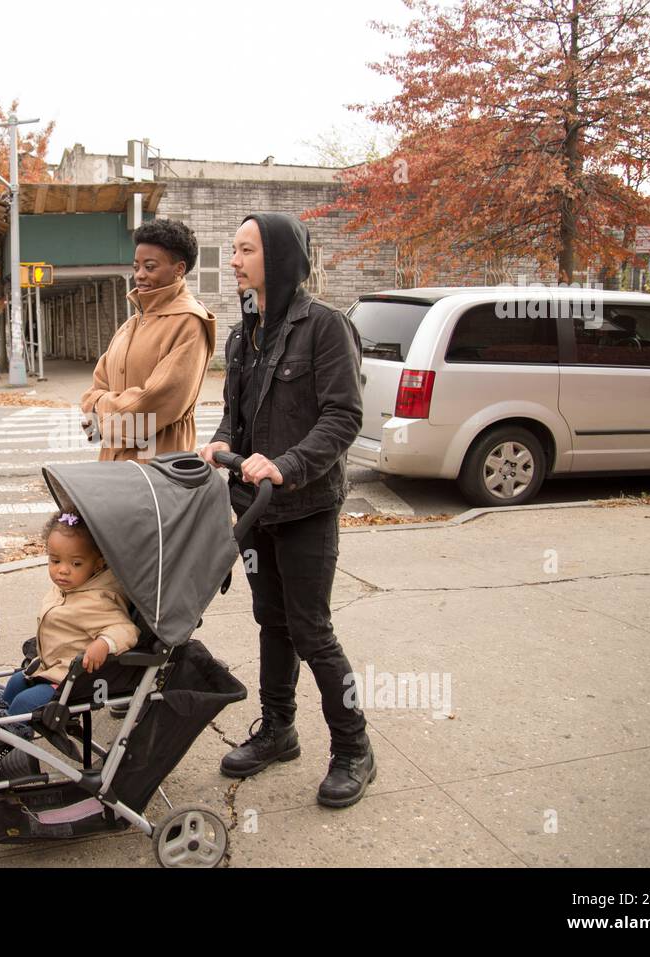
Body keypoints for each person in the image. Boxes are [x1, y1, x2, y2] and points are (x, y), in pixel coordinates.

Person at [200, 213, 373, 809]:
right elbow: (237, 416)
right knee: (271, 624)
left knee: (311, 630)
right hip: (253, 509)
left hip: (305, 505)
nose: (235, 260)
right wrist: (220, 444)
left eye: (245, 249)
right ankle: (279, 731)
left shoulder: (325, 328)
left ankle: (353, 748)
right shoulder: (241, 334)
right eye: (233, 249)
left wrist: (287, 465)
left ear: (276, 256)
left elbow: (343, 418)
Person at [0, 510, 140, 781]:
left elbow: (126, 629)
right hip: (49, 668)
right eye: (55, 560)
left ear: (98, 564)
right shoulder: (69, 587)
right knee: (12, 685)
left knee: (24, 703)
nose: (62, 570)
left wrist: (105, 642)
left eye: (75, 563)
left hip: (72, 680)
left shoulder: (99, 599)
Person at [80, 218, 215, 461]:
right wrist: (99, 413)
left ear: (179, 269)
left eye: (150, 267)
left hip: (157, 464)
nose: (139, 275)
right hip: (113, 463)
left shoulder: (189, 323)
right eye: (136, 267)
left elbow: (153, 404)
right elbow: (97, 384)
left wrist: (100, 409)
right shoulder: (131, 324)